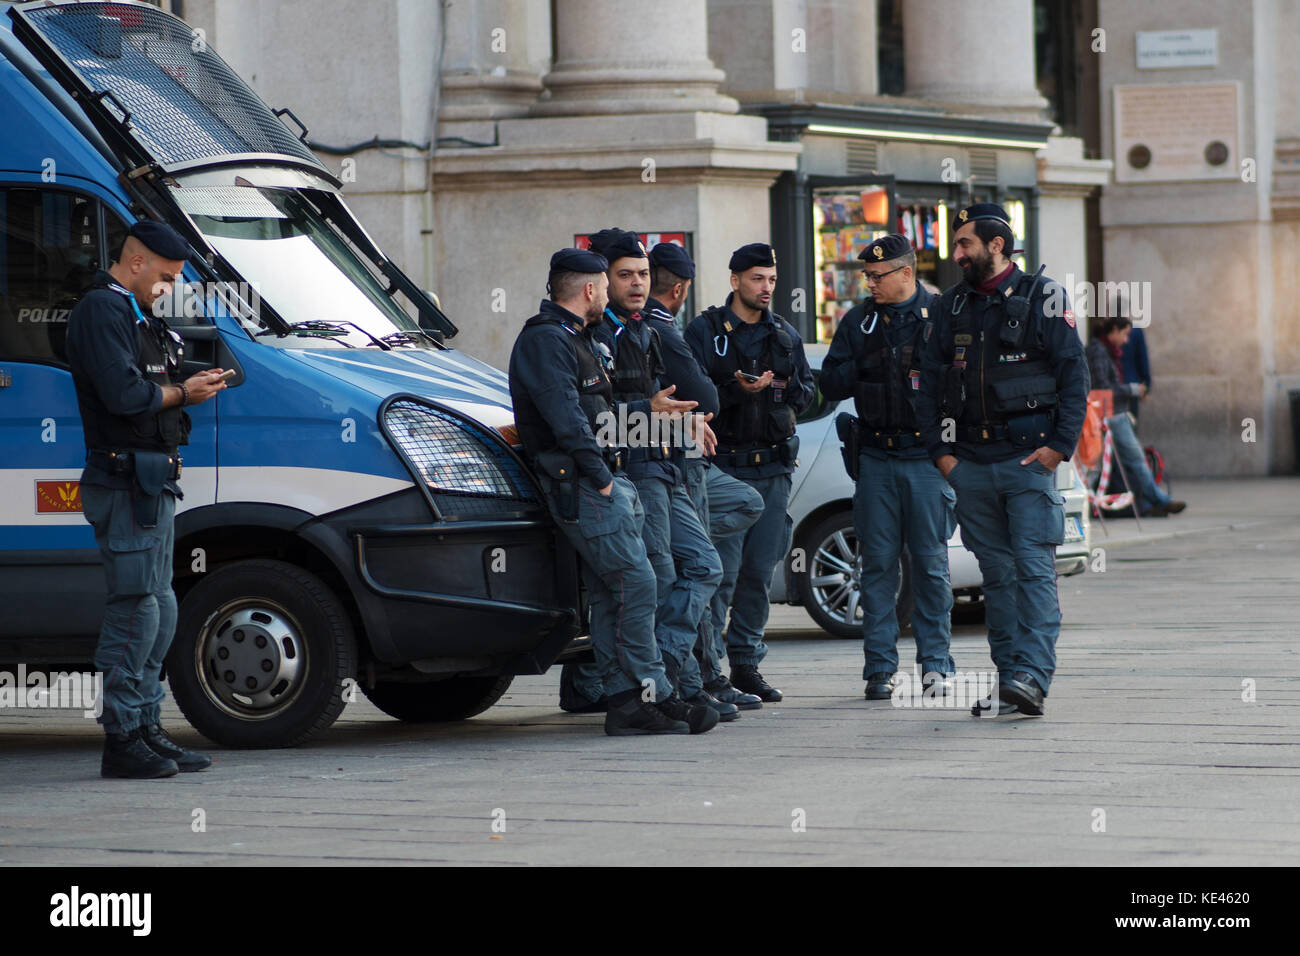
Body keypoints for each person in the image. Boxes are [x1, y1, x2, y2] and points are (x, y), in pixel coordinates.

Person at [508, 247, 716, 735]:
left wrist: (646, 408)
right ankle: (653, 693)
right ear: (588, 289)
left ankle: (628, 702)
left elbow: (597, 415)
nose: (610, 294)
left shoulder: (573, 338)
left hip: (605, 480)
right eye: (605, 284)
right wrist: (601, 478)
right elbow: (566, 420)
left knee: (612, 592)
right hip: (583, 485)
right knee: (638, 583)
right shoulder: (547, 341)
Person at [915, 204, 1089, 719]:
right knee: (997, 577)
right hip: (970, 464)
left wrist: (1059, 448)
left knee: (1034, 571)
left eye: (965, 242)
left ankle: (1032, 675)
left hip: (1027, 461)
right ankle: (1011, 678)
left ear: (996, 245)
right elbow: (926, 387)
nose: (956, 253)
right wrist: (943, 456)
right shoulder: (949, 307)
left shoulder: (1044, 297)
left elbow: (1073, 376)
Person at [66, 220, 227, 778]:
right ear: (136, 263)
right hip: (123, 481)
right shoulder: (102, 310)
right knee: (136, 607)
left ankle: (148, 728)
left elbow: (153, 388)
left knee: (159, 607)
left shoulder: (139, 315)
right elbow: (125, 394)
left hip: (151, 481)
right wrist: (184, 391)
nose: (168, 288)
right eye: (165, 277)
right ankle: (123, 737)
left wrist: (189, 384)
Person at [580, 229, 730, 720]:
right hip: (631, 472)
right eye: (625, 275)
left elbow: (668, 403)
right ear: (602, 279)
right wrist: (661, 415)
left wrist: (687, 426)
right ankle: (664, 688)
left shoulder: (643, 329)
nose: (638, 284)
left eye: (643, 274)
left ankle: (667, 674)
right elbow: (597, 420)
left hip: (665, 464)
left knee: (705, 567)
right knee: (653, 581)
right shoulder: (596, 335)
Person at [819, 233, 956, 701]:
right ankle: (880, 668)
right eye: (866, 276)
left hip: (925, 458)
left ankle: (936, 664)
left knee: (932, 566)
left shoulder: (939, 316)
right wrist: (866, 358)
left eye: (878, 276)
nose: (870, 283)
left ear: (906, 273)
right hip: (876, 457)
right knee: (876, 566)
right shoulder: (859, 321)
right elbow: (832, 382)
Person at [686, 243, 815, 702]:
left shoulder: (783, 334)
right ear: (736, 279)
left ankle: (745, 665)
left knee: (759, 575)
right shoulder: (705, 331)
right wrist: (735, 391)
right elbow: (689, 394)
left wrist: (778, 393)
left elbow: (806, 391)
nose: (766, 288)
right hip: (723, 468)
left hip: (772, 466)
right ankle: (708, 671)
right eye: (758, 279)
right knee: (719, 574)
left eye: (772, 280)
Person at [645, 241, 764, 713]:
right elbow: (702, 398)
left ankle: (697, 677)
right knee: (696, 569)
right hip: (669, 463)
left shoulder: (649, 327)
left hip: (677, 462)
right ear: (682, 288)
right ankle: (691, 678)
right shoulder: (662, 329)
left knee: (700, 565)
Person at [1085, 315, 1185, 516]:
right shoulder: (1098, 351)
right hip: (1109, 414)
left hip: (1111, 412)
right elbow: (1102, 388)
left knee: (1117, 464)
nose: (1126, 340)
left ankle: (1148, 502)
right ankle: (1156, 501)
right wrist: (1132, 390)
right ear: (1113, 330)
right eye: (1125, 334)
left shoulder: (1104, 350)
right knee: (1132, 460)